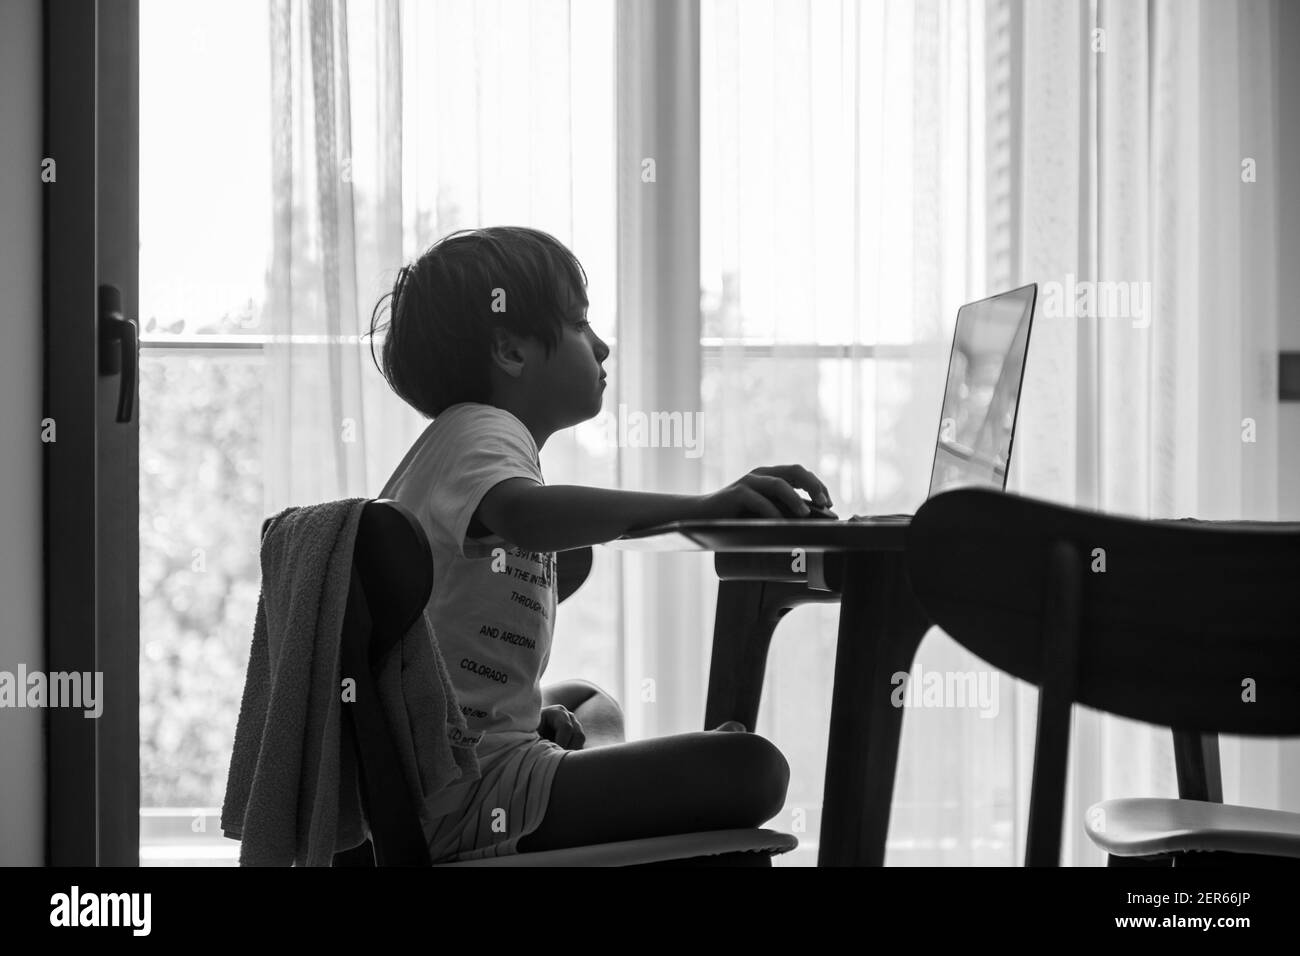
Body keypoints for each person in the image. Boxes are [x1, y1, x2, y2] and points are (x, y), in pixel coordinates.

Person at [371, 225, 832, 862]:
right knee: (755, 770)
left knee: (588, 701)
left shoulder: (463, 444)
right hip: (475, 795)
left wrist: (529, 719)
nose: (603, 347)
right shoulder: (482, 430)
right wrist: (703, 505)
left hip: (462, 770)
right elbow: (527, 517)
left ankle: (630, 777)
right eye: (582, 325)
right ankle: (664, 781)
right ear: (510, 350)